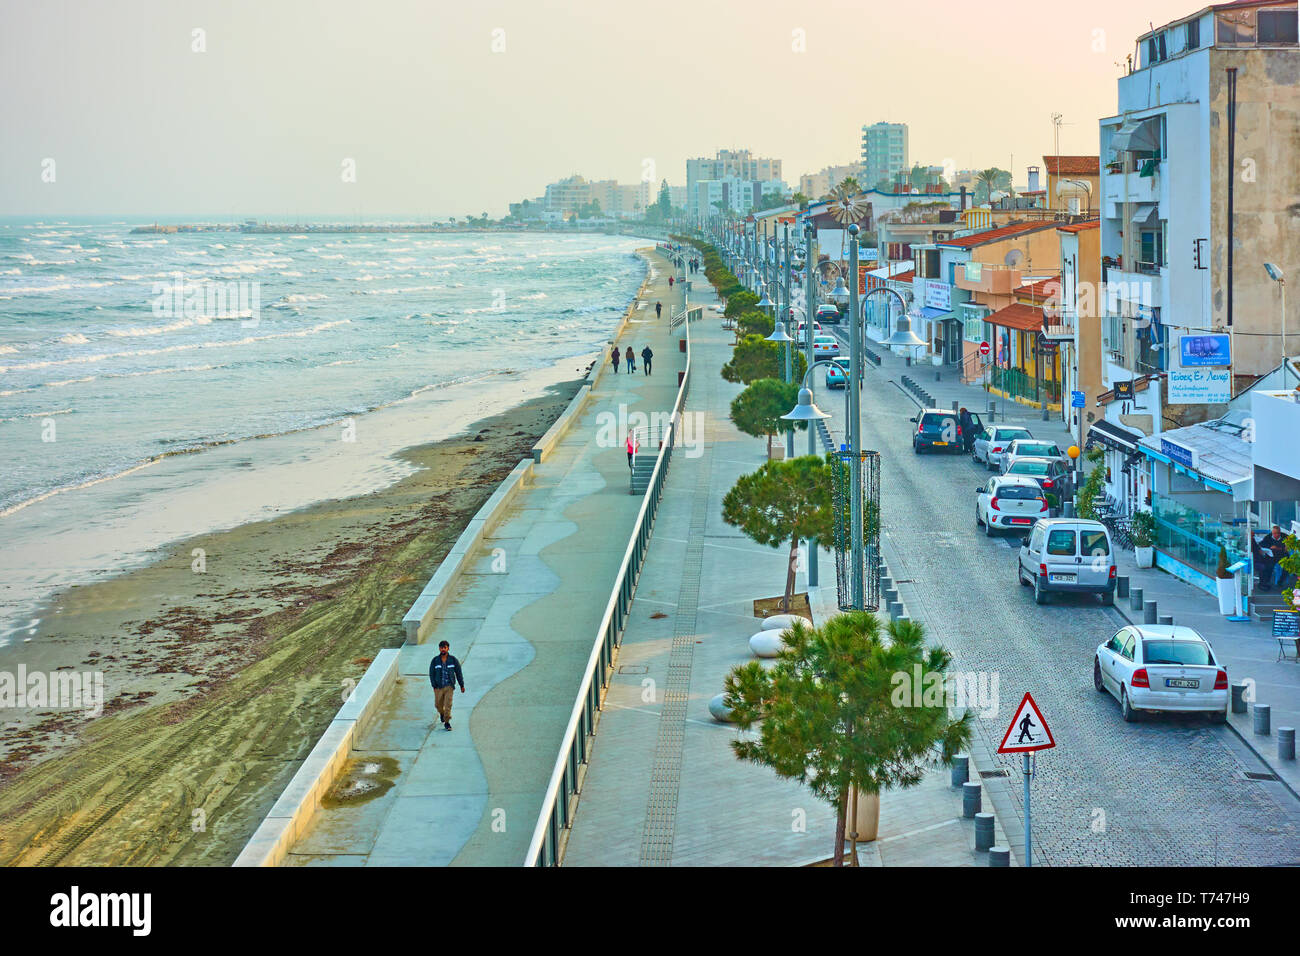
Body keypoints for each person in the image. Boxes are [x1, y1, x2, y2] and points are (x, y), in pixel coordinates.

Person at [428, 640, 465, 731]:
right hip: (438, 687)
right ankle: (442, 713)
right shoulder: (435, 661)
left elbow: (458, 673)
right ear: (439, 649)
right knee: (438, 705)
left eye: (445, 647)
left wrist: (461, 685)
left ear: (448, 648)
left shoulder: (453, 660)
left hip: (449, 686)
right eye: (441, 648)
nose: (443, 649)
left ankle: (447, 722)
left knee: (448, 704)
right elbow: (431, 674)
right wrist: (434, 686)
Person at [1258, 525, 1293, 591]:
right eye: (1274, 533)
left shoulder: (1285, 536)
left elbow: (1291, 542)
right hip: (1272, 556)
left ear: (1280, 532)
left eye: (1277, 533)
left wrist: (1287, 546)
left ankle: (1280, 581)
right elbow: (1262, 544)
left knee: (1287, 567)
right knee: (1268, 566)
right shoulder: (1268, 537)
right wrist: (1270, 546)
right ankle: (1267, 582)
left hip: (1283, 555)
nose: (1275, 535)